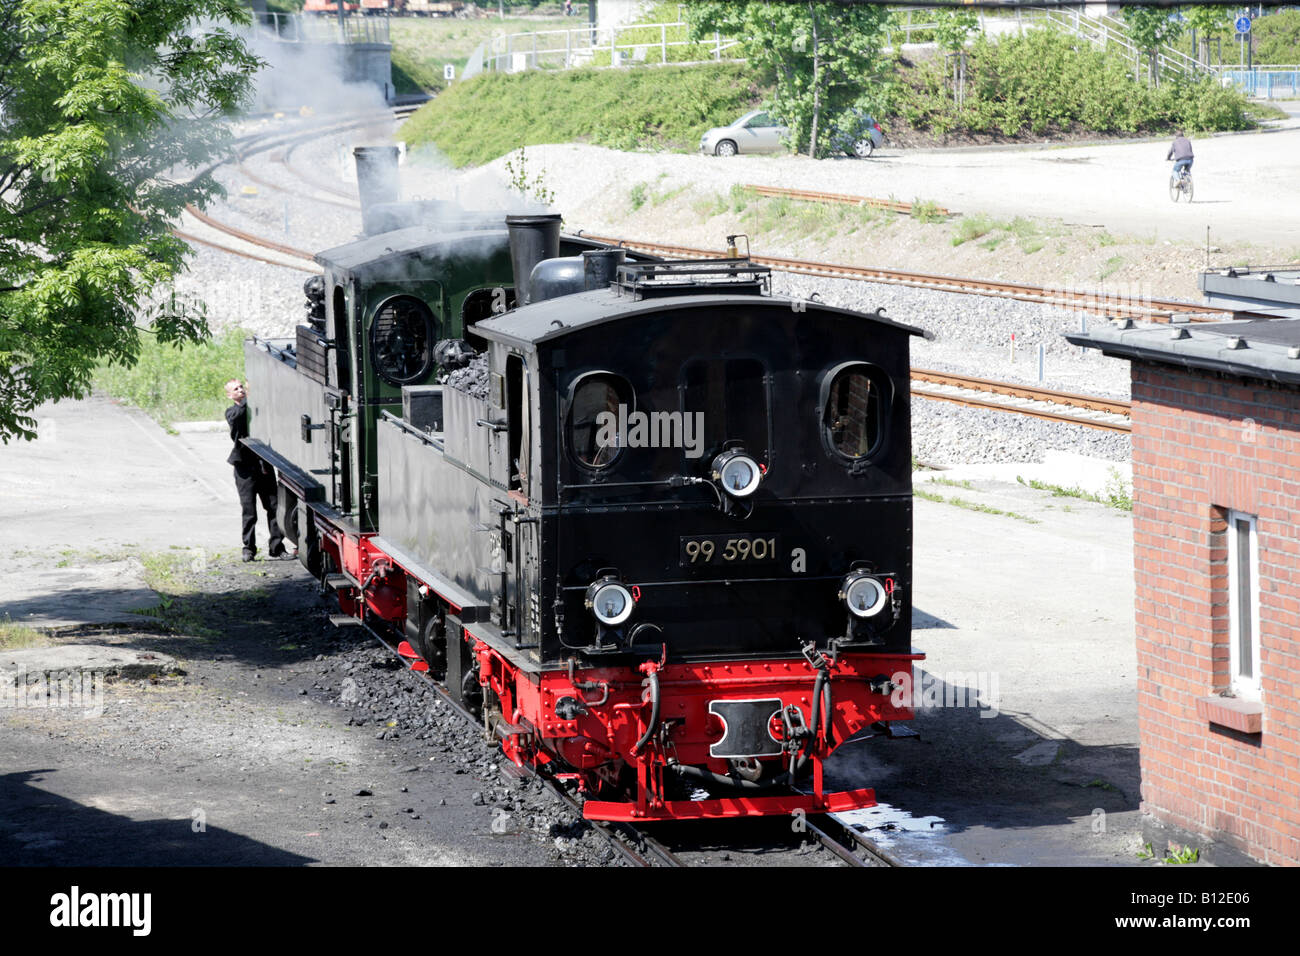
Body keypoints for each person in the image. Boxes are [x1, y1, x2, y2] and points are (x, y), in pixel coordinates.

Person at [225, 378, 285, 562]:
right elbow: (238, 419)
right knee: (249, 510)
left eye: (242, 387)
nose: (241, 390)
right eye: (236, 389)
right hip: (244, 468)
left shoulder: (255, 408)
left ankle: (277, 547)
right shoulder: (233, 411)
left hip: (263, 465)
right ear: (230, 395)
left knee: (273, 507)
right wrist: (249, 400)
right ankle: (248, 547)